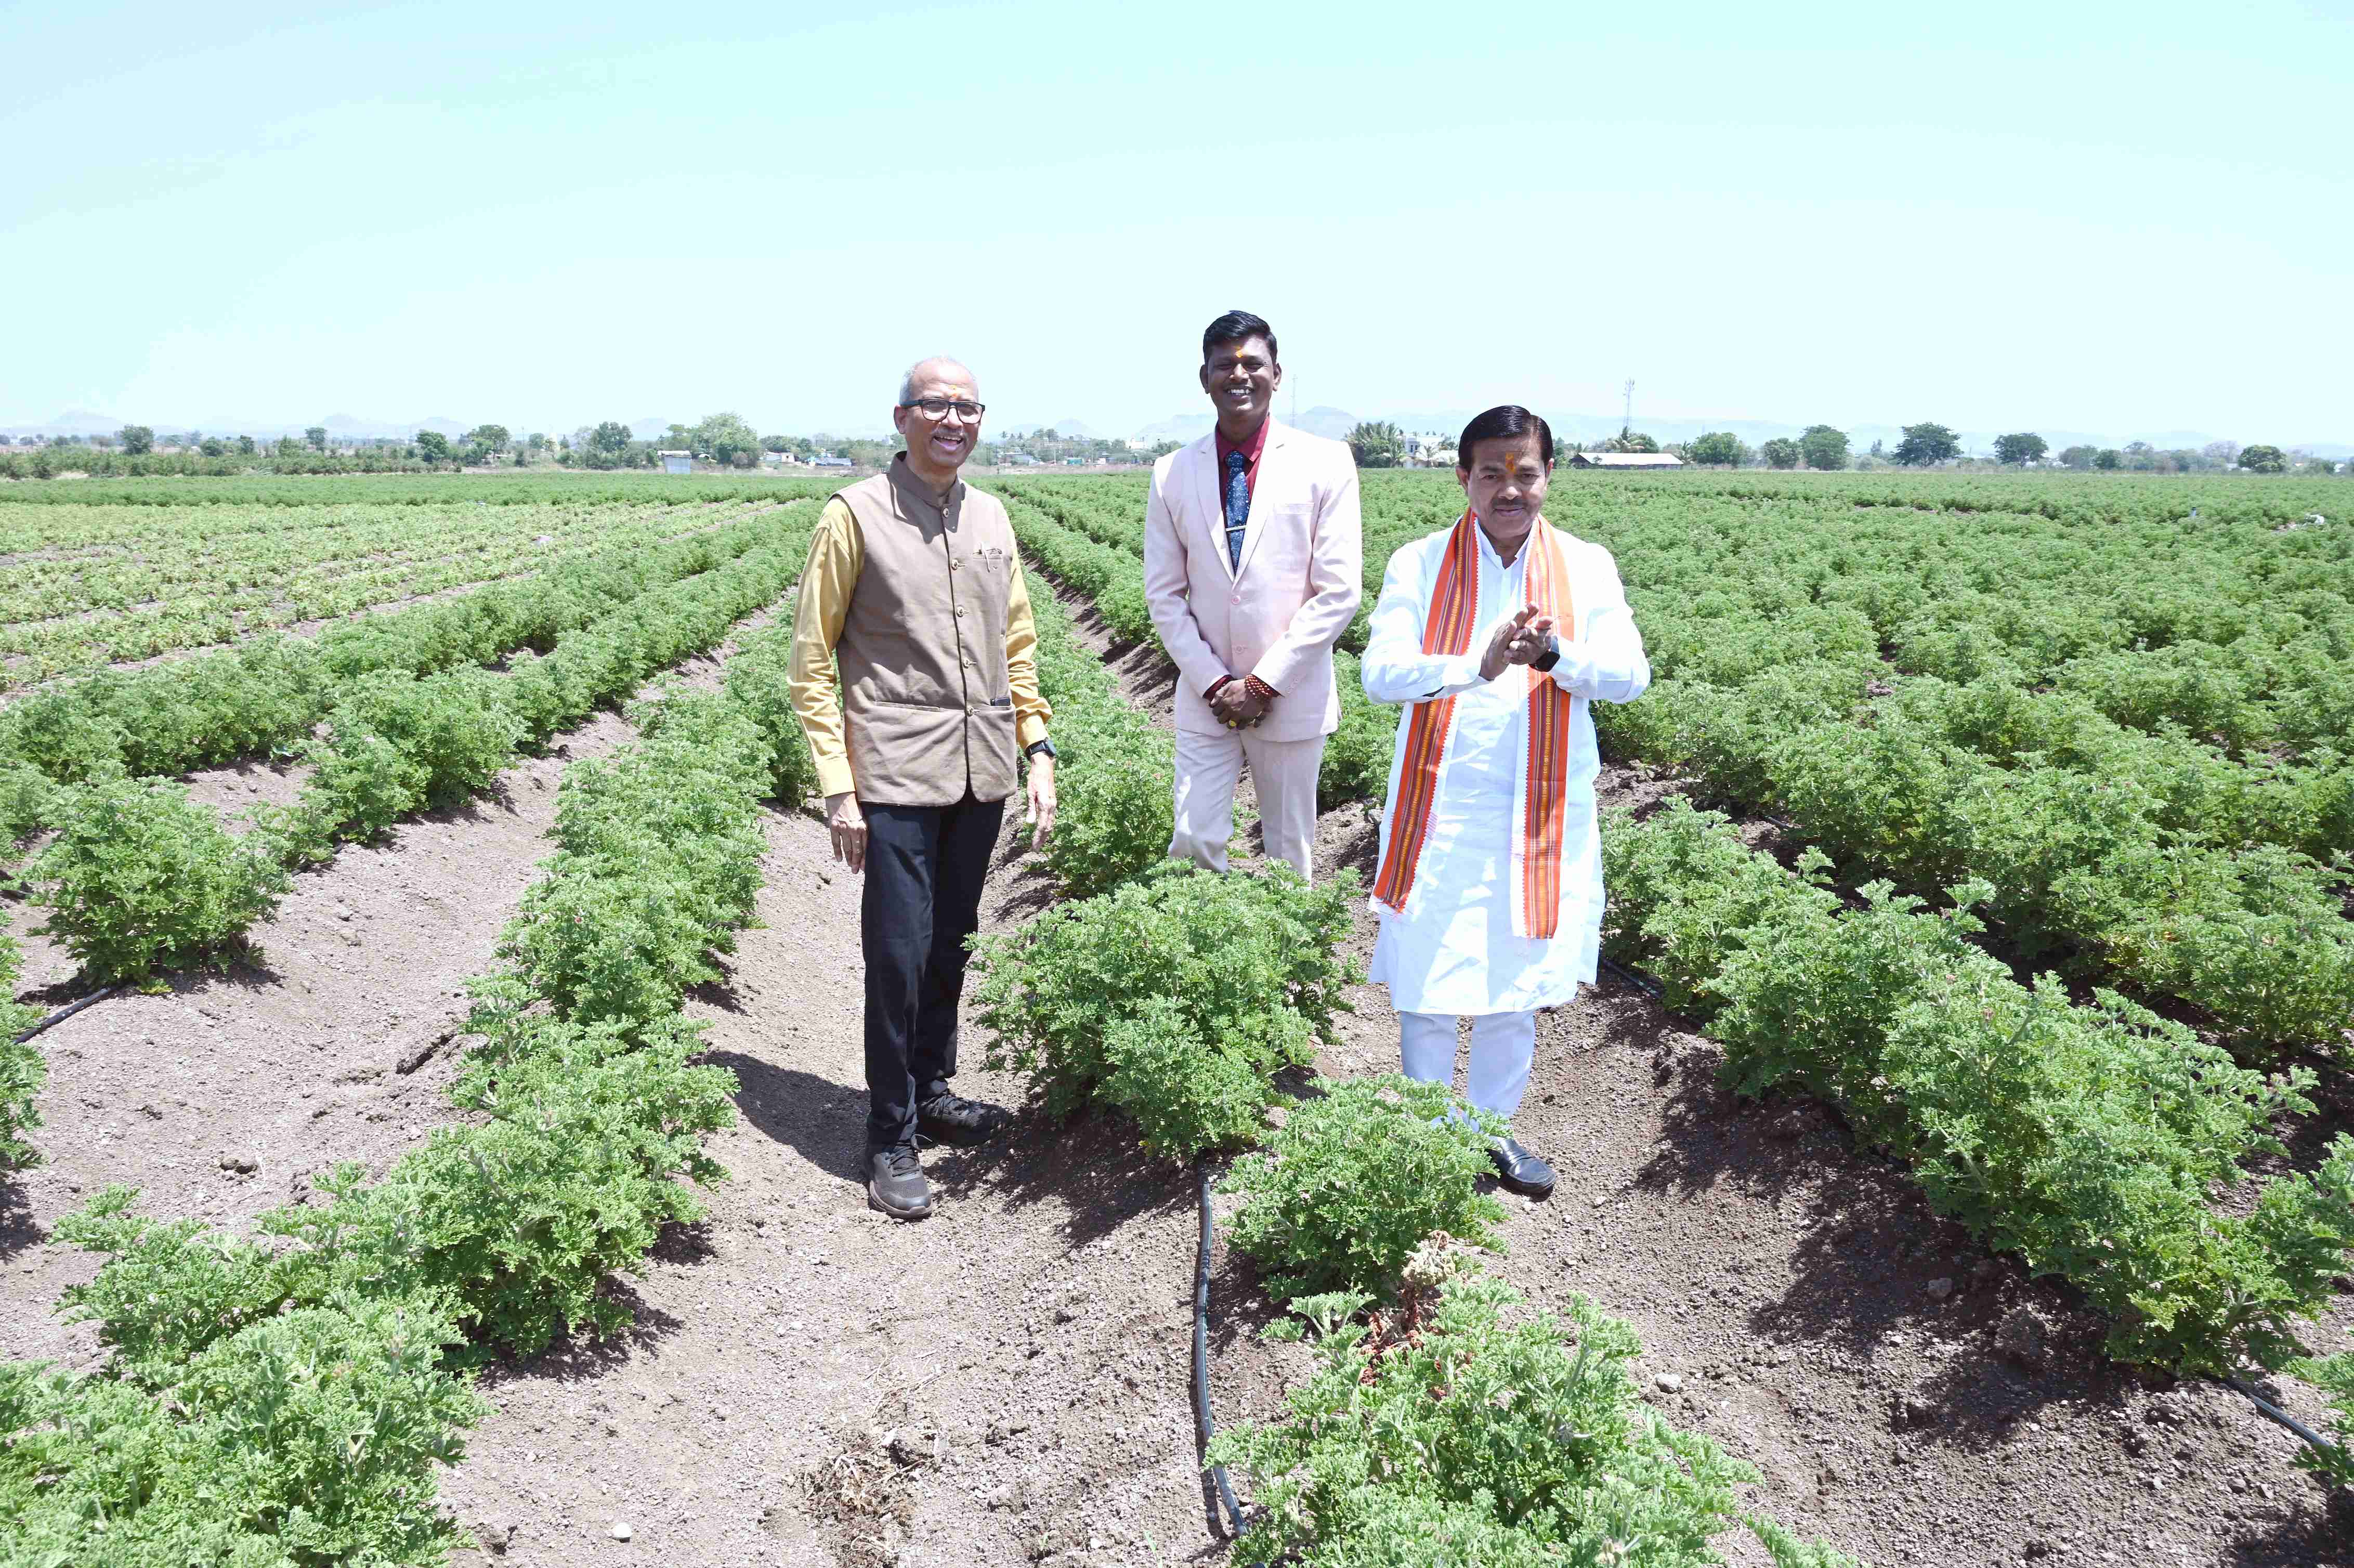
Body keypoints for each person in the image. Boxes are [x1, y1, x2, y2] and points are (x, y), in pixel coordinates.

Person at [787, 356, 1058, 1221]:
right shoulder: (854, 516)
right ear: (901, 418)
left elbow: (1017, 645)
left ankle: (933, 1088)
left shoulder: (990, 517)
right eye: (936, 406)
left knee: (952, 941)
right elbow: (810, 663)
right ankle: (889, 1132)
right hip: (895, 774)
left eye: (967, 407)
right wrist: (838, 786)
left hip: (981, 770)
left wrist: (1036, 745)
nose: (953, 419)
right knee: (898, 954)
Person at [1359, 405, 1650, 1197]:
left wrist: (1557, 654)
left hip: (1539, 811)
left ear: (1548, 475)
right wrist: (1471, 665)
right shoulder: (1419, 563)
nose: (1509, 489)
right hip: (1441, 805)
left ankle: (1490, 1134)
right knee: (1424, 978)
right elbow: (1379, 673)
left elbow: (1632, 675)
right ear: (1464, 478)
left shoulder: (1587, 566)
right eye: (1492, 473)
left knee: (1513, 983)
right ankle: (1424, 1131)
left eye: (1525, 472)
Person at [1142, 310, 1362, 880]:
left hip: (1290, 697)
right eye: (1225, 366)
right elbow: (1164, 595)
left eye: (1251, 364)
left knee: (1290, 852)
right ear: (1205, 377)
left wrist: (1263, 684)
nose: (1238, 375)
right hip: (1205, 695)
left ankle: (1287, 970)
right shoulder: (1171, 472)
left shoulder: (1326, 461)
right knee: (1193, 840)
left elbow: (1338, 592)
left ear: (1276, 374)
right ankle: (1204, 963)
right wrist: (1218, 683)